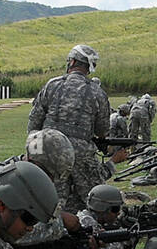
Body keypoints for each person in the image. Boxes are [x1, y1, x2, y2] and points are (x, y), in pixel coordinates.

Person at [27, 44, 111, 213]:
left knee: (47, 200)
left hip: (48, 152)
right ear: (89, 68)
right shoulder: (97, 92)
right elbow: (102, 130)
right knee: (94, 200)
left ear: (72, 62)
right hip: (82, 154)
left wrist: (34, 152)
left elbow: (34, 123)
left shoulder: (52, 85)